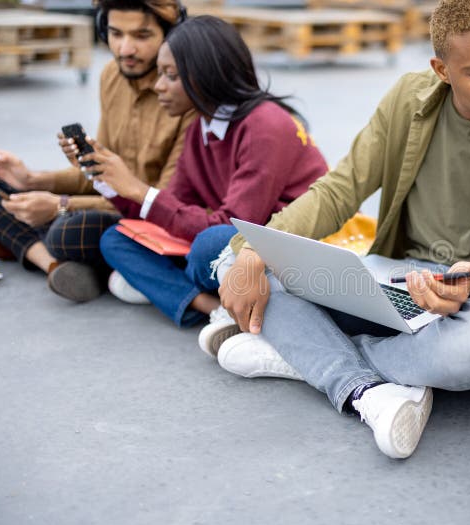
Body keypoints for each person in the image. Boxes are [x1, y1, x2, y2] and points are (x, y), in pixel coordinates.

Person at [213, 0, 470, 460]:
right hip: (396, 279)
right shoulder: (409, 98)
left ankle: (309, 359)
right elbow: (339, 191)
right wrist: (254, 251)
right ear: (442, 70)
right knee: (241, 261)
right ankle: (368, 378)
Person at [95, 16, 328, 327]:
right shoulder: (199, 129)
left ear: (206, 76)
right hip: (233, 247)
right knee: (115, 239)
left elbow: (240, 226)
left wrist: (139, 190)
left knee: (210, 244)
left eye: (170, 76)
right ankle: (211, 307)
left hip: (280, 248)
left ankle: (169, 288)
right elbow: (171, 207)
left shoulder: (266, 125)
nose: (157, 86)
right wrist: (109, 182)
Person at [0, 0, 194, 302]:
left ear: (171, 37)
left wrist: (61, 206)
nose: (125, 49)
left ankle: (40, 248)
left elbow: (165, 205)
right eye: (116, 34)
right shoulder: (112, 74)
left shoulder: (185, 93)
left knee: (67, 232)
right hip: (111, 206)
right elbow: (99, 176)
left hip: (153, 220)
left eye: (141, 36)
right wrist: (31, 180)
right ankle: (54, 265)